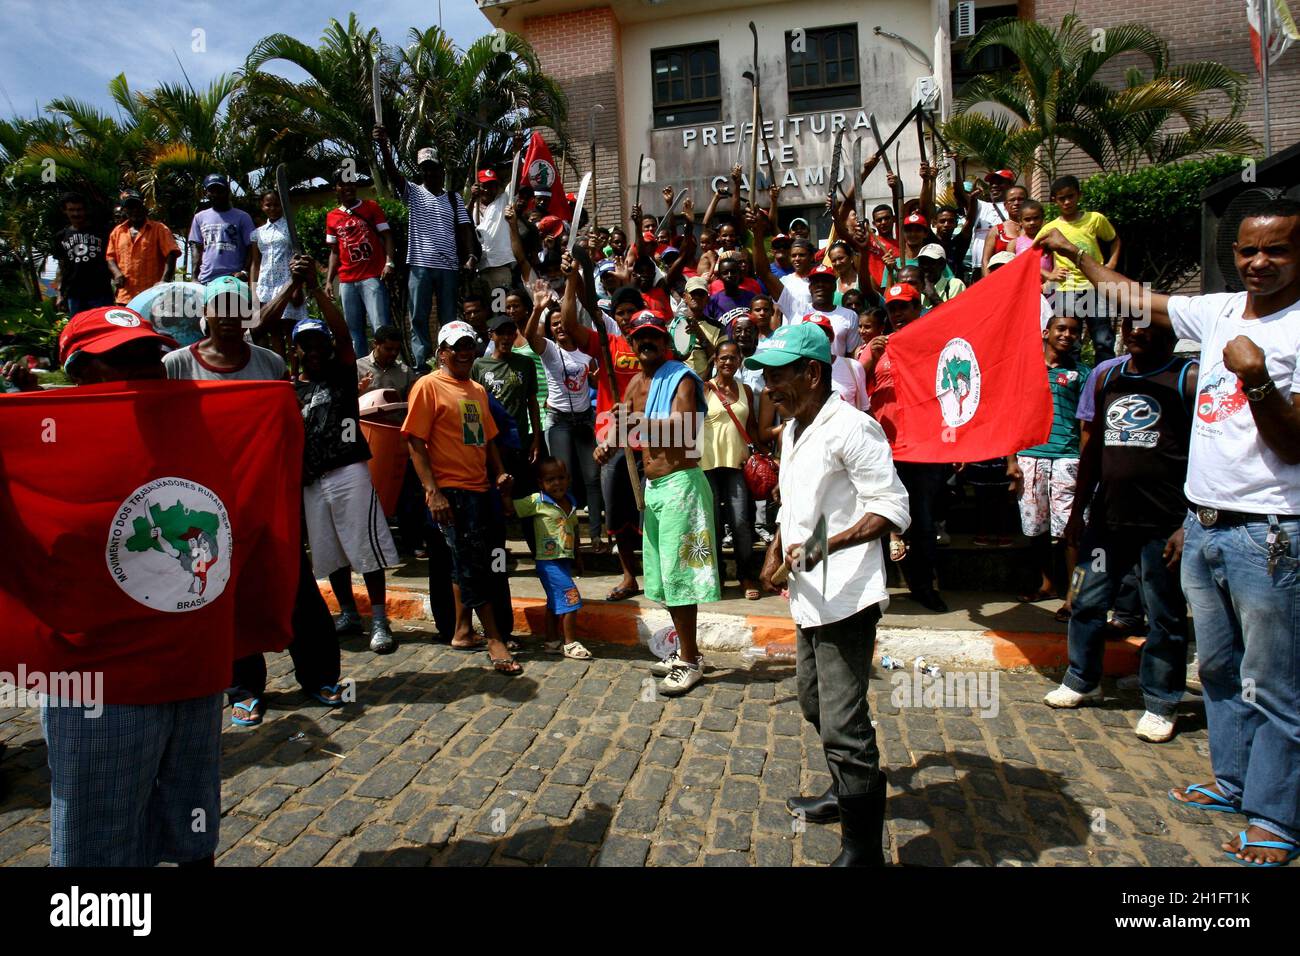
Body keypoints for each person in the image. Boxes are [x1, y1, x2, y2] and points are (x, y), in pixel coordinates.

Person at [1038, 198, 1300, 867]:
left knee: (1273, 681)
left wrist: (1259, 379)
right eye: (1248, 250)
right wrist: (1078, 259)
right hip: (1204, 523)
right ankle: (1234, 781)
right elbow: (1133, 295)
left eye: (1276, 250)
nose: (1259, 263)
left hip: (1271, 532)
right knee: (1214, 669)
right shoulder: (1216, 312)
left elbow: (1295, 446)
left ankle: (1276, 816)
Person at [33, 307, 220, 866]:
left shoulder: (193, 439)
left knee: (193, 829)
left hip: (191, 668)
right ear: (77, 374)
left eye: (149, 357)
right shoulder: (42, 451)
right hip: (101, 684)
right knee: (102, 842)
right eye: (121, 360)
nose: (143, 371)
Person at [748, 322, 910, 866]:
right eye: (766, 376)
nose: (769, 387)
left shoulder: (854, 428)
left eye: (777, 376)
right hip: (807, 595)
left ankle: (864, 852)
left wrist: (827, 546)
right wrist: (778, 545)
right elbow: (795, 505)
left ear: (812, 372)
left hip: (845, 596)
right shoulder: (794, 428)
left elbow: (892, 507)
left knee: (843, 722)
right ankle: (846, 791)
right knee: (814, 703)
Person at [164, 270, 346, 725]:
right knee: (227, 594)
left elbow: (283, 427)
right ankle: (242, 687)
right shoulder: (177, 367)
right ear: (205, 313)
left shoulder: (268, 364)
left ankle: (320, 675)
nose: (227, 318)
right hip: (208, 508)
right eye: (218, 308)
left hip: (269, 500)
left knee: (296, 584)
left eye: (236, 309)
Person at [1043, 315, 1197, 743]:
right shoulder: (1106, 374)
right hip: (1107, 521)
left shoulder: (1188, 377)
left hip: (1163, 524)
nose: (1135, 331)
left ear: (1171, 330)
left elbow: (1209, 451)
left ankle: (1162, 700)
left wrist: (1189, 522)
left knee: (1163, 615)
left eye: (1148, 323)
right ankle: (1080, 678)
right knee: (1087, 601)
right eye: (1130, 322)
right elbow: (1091, 446)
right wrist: (1077, 511)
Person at [596, 311, 720, 695]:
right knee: (666, 579)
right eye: (639, 337)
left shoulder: (681, 377)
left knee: (681, 579)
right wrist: (608, 443)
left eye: (653, 336)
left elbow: (684, 431)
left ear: (664, 341)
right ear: (631, 344)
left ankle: (690, 659)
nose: (646, 343)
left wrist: (632, 425)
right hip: (655, 490)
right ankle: (686, 651)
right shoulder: (635, 381)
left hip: (682, 484)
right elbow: (623, 424)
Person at [290, 262, 400, 655]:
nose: (313, 351)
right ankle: (350, 614)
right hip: (311, 480)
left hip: (348, 470)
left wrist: (316, 291)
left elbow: (340, 330)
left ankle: (381, 619)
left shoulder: (341, 373)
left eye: (319, 344)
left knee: (363, 545)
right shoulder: (290, 390)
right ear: (297, 351)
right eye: (306, 345)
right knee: (328, 549)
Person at [403, 320, 522, 675]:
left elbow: (487, 438)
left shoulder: (476, 390)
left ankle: (462, 631)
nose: (465, 352)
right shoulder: (428, 386)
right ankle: (495, 638)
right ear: (442, 353)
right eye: (457, 347)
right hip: (450, 490)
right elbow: (414, 440)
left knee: (465, 560)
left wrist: (499, 473)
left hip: (479, 488)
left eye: (469, 345)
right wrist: (432, 490)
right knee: (471, 563)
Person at [862, 282, 949, 612]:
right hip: (882, 448)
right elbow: (856, 385)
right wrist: (874, 356)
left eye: (905, 307)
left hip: (923, 447)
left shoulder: (933, 344)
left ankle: (923, 586)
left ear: (917, 308)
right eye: (893, 308)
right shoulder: (876, 345)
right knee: (878, 519)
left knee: (922, 522)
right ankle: (875, 589)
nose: (898, 313)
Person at [1008, 313, 1089, 621]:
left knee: (1070, 530)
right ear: (1046, 331)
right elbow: (1012, 416)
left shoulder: (1082, 373)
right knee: (1035, 529)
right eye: (1061, 329)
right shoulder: (1025, 370)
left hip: (1067, 457)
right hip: (1030, 456)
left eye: (1074, 331)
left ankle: (1074, 596)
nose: (1067, 335)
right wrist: (1011, 461)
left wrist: (1085, 462)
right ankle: (1047, 584)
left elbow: (1086, 424)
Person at [373, 125, 475, 369]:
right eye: (424, 170)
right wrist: (384, 147)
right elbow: (393, 173)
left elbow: (465, 228)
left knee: (448, 319)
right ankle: (422, 364)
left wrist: (470, 255)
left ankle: (448, 361)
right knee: (418, 317)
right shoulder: (414, 193)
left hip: (448, 266)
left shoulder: (454, 198)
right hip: (420, 265)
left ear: (440, 169)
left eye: (432, 168)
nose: (429, 173)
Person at [522, 283, 605, 550]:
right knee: (560, 477)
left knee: (593, 477)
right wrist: (537, 309)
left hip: (584, 419)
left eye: (562, 322)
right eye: (554, 323)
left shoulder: (586, 351)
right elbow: (528, 335)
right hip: (558, 420)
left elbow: (591, 384)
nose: (558, 327)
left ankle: (594, 536)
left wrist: (594, 382)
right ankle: (567, 537)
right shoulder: (547, 349)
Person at [514, 457, 593, 660]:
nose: (556, 483)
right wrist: (505, 491)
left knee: (554, 602)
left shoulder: (572, 502)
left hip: (564, 560)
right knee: (571, 597)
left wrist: (578, 556)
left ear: (568, 479)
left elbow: (574, 528)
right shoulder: (536, 501)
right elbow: (512, 508)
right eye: (550, 479)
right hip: (547, 562)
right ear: (541, 483)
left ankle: (551, 641)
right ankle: (570, 643)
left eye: (560, 478)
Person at [701, 341, 762, 600]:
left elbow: (753, 427)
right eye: (723, 357)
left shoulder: (746, 390)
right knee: (712, 522)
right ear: (715, 359)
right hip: (707, 464)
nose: (728, 362)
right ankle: (718, 575)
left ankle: (746, 575)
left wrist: (766, 455)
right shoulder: (703, 389)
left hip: (737, 464)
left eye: (733, 358)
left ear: (740, 361)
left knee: (740, 522)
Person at [1043, 174, 1122, 362]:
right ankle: (1073, 381)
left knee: (1103, 339)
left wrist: (1110, 266)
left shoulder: (1095, 219)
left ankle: (1105, 379)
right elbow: (1031, 254)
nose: (1067, 202)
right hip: (1066, 290)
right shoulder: (1051, 228)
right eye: (1062, 198)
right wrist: (1049, 274)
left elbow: (1114, 240)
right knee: (1070, 342)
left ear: (1079, 195)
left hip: (1095, 287)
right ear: (1054, 200)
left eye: (1071, 196)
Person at [472, 312, 544, 497]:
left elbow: (532, 402)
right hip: (492, 441)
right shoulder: (479, 366)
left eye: (510, 333)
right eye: (500, 333)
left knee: (524, 492)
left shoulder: (525, 363)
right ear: (491, 335)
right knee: (498, 491)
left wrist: (535, 440)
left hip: (519, 438)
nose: (505, 338)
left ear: (515, 335)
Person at [325, 168, 394, 359]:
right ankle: (361, 370)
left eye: (351, 183)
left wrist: (389, 263)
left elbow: (387, 236)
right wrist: (329, 281)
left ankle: (386, 365)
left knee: (380, 326)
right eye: (343, 184)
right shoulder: (332, 217)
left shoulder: (370, 207)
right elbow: (334, 251)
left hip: (372, 276)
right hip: (347, 280)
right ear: (336, 188)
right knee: (354, 330)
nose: (348, 187)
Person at [250, 188, 306, 354]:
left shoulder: (290, 228)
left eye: (276, 205)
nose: (272, 208)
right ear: (262, 206)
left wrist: (297, 286)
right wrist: (253, 288)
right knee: (273, 330)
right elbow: (255, 262)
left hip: (287, 282)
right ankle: (280, 369)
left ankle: (294, 373)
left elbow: (299, 256)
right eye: (268, 205)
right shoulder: (257, 233)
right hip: (266, 286)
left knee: (290, 329)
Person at [105, 190, 179, 304]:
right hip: (125, 296)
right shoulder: (117, 231)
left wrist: (165, 281)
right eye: (130, 207)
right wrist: (117, 273)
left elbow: (172, 254)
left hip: (153, 296)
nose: (135, 210)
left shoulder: (159, 229)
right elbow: (110, 257)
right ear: (124, 210)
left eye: (137, 206)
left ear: (144, 207)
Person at [188, 173, 254, 284]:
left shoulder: (243, 217)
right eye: (211, 191)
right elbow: (196, 248)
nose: (215, 194)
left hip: (233, 280)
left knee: (230, 302)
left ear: (227, 192)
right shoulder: (199, 217)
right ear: (206, 193)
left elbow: (252, 248)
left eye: (219, 191)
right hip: (206, 280)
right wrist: (194, 277)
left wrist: (244, 271)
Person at [52, 192, 112, 314]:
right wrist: (60, 294)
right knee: (79, 331)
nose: (76, 214)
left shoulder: (102, 232)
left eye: (79, 209)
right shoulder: (61, 236)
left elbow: (111, 258)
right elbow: (61, 267)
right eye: (71, 210)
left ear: (85, 210)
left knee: (102, 330)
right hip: (74, 295)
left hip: (100, 293)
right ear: (65, 211)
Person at [963, 168, 1013, 280]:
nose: (994, 186)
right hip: (978, 267)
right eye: (992, 183)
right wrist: (953, 165)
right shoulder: (981, 206)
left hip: (1003, 266)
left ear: (1010, 185)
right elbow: (959, 194)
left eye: (999, 182)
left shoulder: (1015, 208)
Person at [472, 168, 516, 292]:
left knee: (500, 307)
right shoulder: (471, 208)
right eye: (484, 186)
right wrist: (472, 199)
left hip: (500, 267)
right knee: (483, 308)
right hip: (479, 269)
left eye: (492, 186)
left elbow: (516, 178)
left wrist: (516, 152)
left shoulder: (503, 201)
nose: (488, 190)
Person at [357, 324, 419, 397]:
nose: (394, 353)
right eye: (388, 349)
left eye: (397, 349)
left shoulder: (406, 373)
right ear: (375, 344)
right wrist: (359, 389)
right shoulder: (358, 368)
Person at [980, 185, 1028, 277]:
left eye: (1021, 199)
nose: (1016, 203)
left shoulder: (1037, 228)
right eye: (1012, 200)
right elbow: (985, 260)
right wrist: (989, 283)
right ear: (1005, 205)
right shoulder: (996, 231)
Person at [916, 243, 967, 307]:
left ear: (942, 265)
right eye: (922, 262)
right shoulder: (916, 288)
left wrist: (933, 296)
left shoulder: (954, 285)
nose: (925, 266)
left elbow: (954, 315)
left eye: (931, 262)